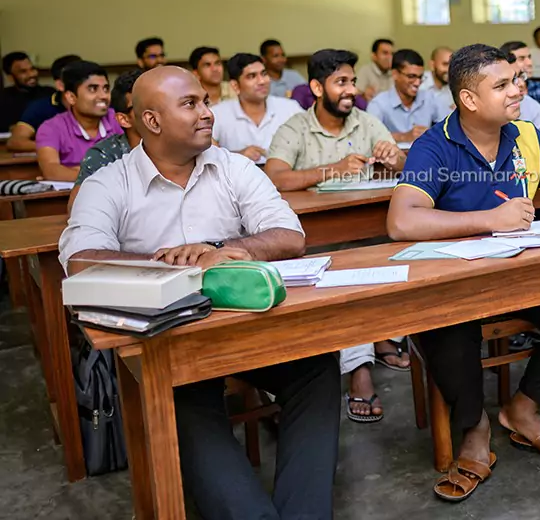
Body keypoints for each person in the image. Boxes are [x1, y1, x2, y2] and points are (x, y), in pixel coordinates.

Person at [58, 66, 340, 520]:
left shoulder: (234, 167)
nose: (208, 114)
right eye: (190, 104)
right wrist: (173, 262)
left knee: (317, 371)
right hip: (167, 337)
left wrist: (220, 250)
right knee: (183, 399)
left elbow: (290, 235)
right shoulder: (108, 182)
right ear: (151, 121)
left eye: (206, 102)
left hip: (244, 326)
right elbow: (80, 259)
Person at [387, 43, 540, 502]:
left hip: (521, 275)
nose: (518, 90)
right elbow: (402, 221)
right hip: (459, 284)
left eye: (516, 80)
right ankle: (474, 430)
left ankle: (526, 409)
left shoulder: (526, 136)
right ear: (469, 99)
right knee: (448, 332)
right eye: (503, 85)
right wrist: (490, 219)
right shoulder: (435, 146)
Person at [265, 49, 408, 419]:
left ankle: (380, 339)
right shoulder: (294, 128)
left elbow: (403, 164)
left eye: (353, 82)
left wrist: (396, 158)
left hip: (366, 229)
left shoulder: (365, 120)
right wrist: (333, 170)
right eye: (341, 83)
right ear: (316, 87)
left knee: (392, 259)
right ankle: (360, 368)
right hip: (315, 239)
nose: (350, 91)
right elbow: (275, 176)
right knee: (344, 277)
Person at [68, 70, 143, 210]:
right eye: (142, 106)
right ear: (124, 120)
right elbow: (78, 209)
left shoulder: (180, 147)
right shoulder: (105, 155)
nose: (156, 111)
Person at [36, 61, 122, 182]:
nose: (103, 96)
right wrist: (105, 175)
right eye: (93, 89)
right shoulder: (51, 128)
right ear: (71, 97)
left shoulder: (120, 119)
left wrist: (79, 171)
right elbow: (51, 170)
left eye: (106, 89)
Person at [211, 53, 303, 163]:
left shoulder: (290, 108)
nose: (262, 81)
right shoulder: (217, 114)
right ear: (235, 86)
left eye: (264, 74)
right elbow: (205, 155)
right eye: (252, 76)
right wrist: (239, 155)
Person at [367, 48, 449, 142]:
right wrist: (403, 137)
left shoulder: (430, 98)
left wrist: (432, 133)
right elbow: (370, 137)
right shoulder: (378, 104)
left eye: (420, 77)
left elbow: (451, 127)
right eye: (411, 77)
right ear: (395, 74)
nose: (417, 83)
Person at [6, 55, 80, 153]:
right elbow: (15, 142)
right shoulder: (40, 107)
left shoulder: (100, 105)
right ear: (60, 85)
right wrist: (55, 146)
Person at [1, 52, 52, 132]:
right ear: (10, 77)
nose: (31, 74)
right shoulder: (3, 98)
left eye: (32, 69)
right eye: (23, 71)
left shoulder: (50, 93)